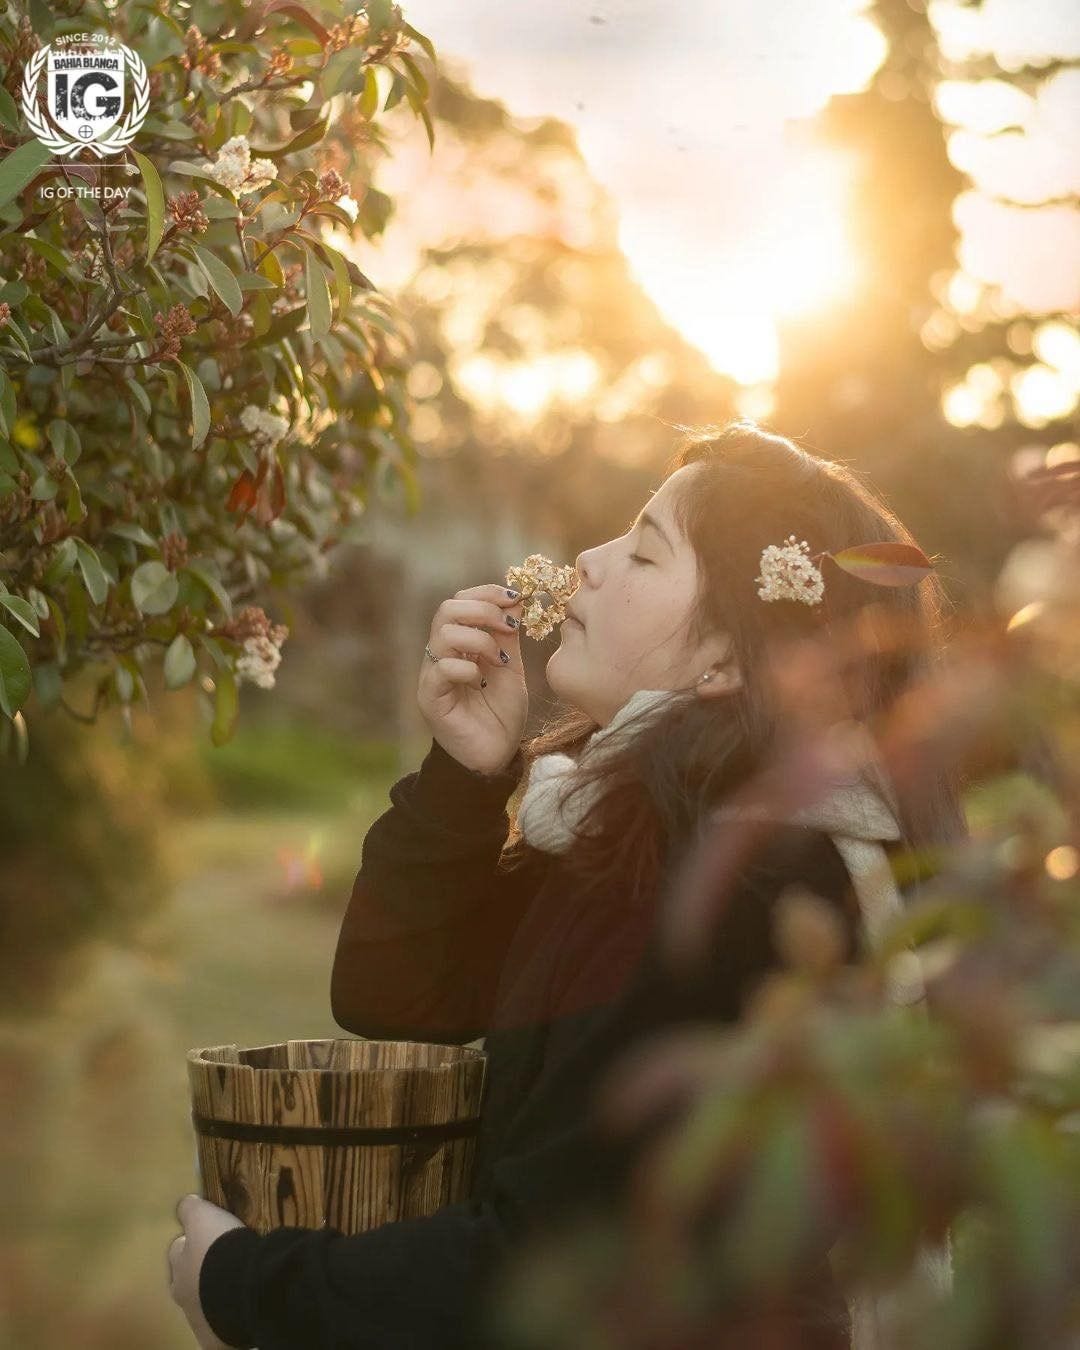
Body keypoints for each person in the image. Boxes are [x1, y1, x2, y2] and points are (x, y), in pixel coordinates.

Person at [168, 419, 966, 1349]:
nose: (586, 561)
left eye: (644, 553)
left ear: (728, 661)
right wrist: (467, 776)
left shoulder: (758, 882)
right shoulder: (636, 829)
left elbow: (544, 1261)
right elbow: (399, 995)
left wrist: (246, 1285)